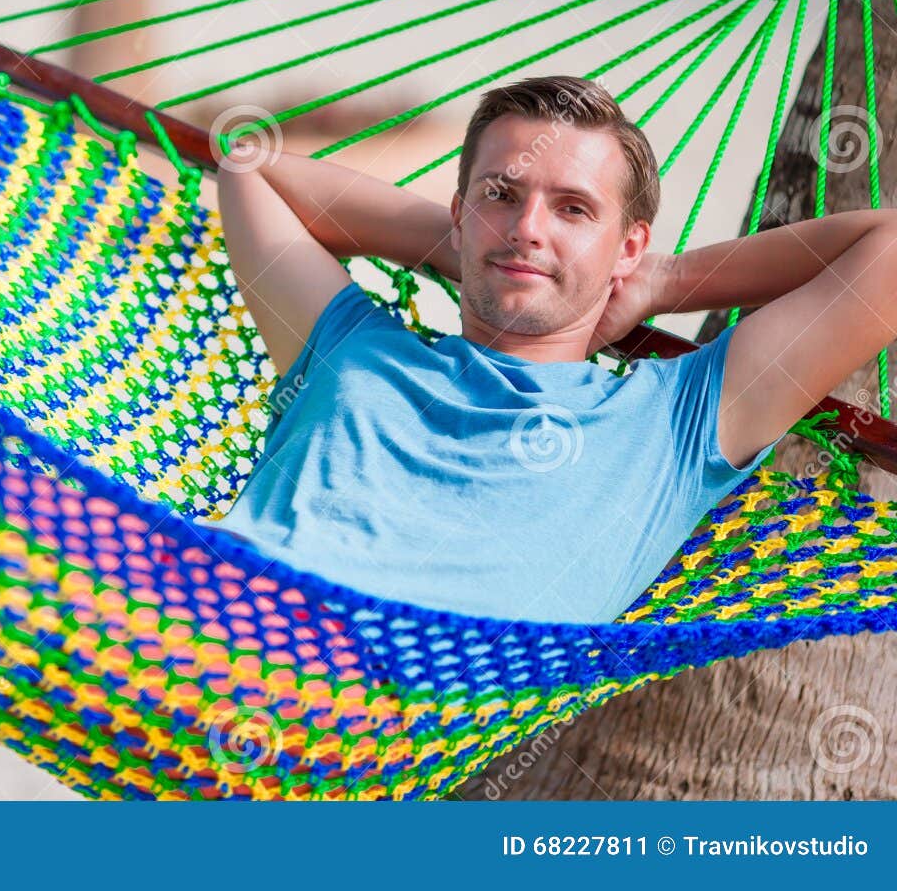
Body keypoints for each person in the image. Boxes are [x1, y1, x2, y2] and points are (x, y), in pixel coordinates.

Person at [201, 75, 897, 624]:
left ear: (629, 245)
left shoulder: (676, 424)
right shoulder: (351, 347)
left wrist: (662, 279)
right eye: (501, 194)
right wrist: (481, 247)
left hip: (362, 707)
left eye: (572, 209)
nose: (529, 225)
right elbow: (249, 168)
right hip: (183, 619)